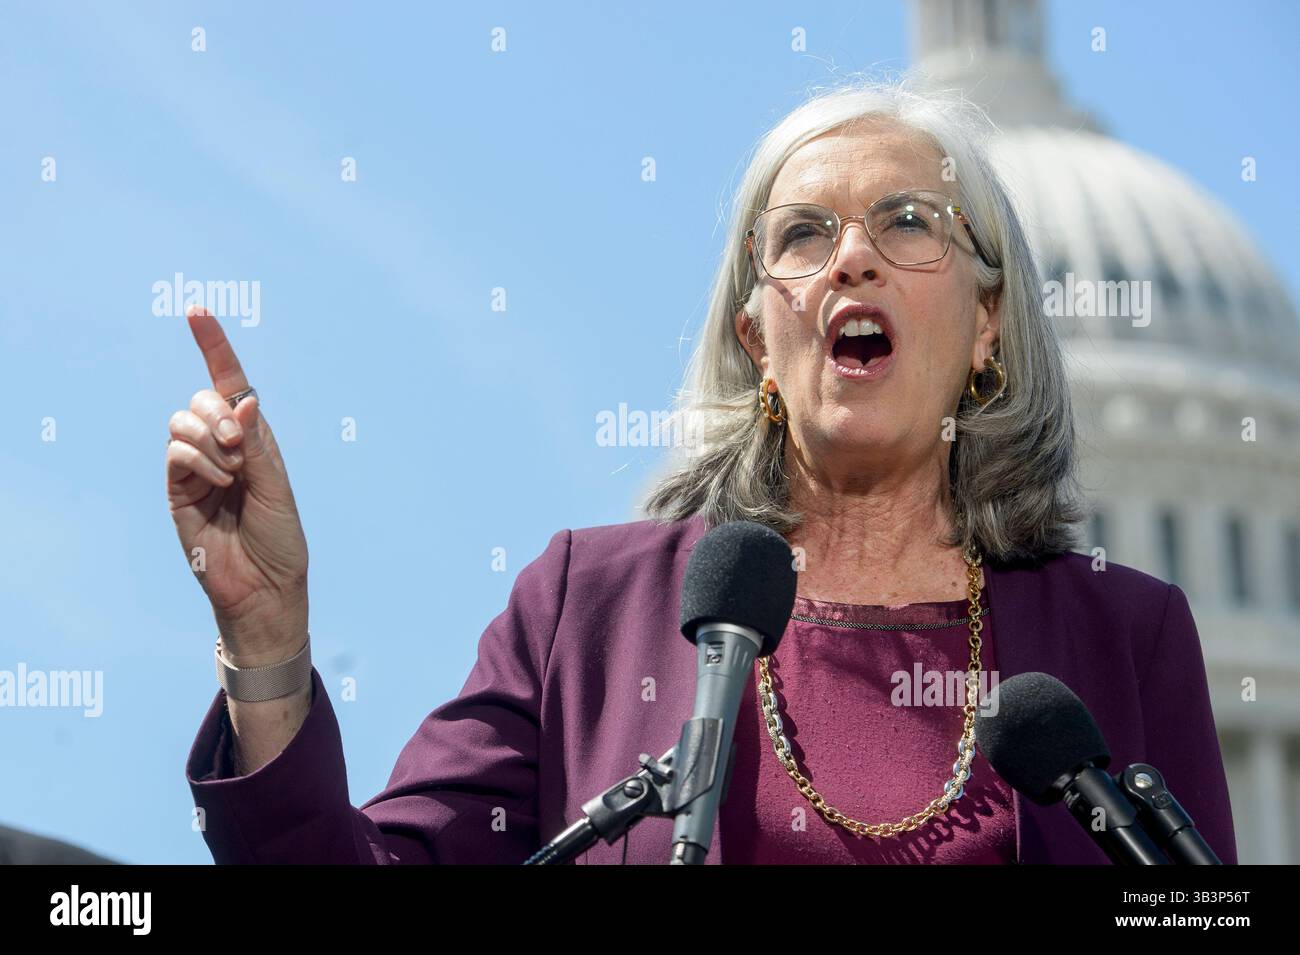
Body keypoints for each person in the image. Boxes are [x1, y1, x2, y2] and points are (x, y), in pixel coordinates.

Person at [169, 76, 1237, 864]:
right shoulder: (583, 609)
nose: (852, 257)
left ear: (985, 327)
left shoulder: (1122, 638)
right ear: (756, 338)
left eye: (910, 223)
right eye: (805, 235)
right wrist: (268, 643)